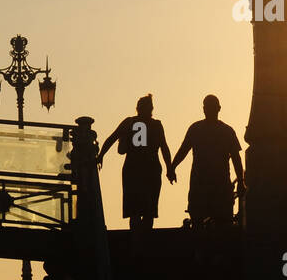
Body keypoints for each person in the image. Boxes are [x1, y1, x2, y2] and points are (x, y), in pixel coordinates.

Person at [98, 94, 174, 230]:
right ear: (151, 109)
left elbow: (112, 138)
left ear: (138, 108)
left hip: (133, 168)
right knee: (149, 211)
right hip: (151, 169)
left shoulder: (129, 122)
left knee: (134, 210)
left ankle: (136, 239)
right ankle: (145, 239)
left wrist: (101, 155)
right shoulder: (156, 125)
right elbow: (164, 147)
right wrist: (170, 168)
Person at [170, 94, 244, 225]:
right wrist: (172, 167)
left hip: (212, 187)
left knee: (212, 224)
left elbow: (236, 158)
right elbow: (236, 158)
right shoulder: (224, 131)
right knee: (215, 224)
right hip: (207, 187)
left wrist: (172, 167)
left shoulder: (200, 129)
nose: (208, 110)